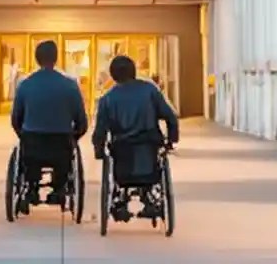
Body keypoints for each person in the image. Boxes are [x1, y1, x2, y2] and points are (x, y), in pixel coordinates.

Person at [92, 55, 179, 216]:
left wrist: (99, 150)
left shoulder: (107, 99)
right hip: (149, 145)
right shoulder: (150, 91)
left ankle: (120, 201)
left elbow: (100, 131)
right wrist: (171, 140)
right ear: (134, 72)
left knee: (119, 162)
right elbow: (170, 117)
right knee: (151, 163)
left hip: (121, 149)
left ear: (113, 75)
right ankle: (149, 199)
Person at [10, 40, 88, 206]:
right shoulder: (70, 85)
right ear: (56, 58)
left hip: (32, 141)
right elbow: (82, 122)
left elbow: (16, 118)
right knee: (64, 155)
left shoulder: (25, 85)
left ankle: (31, 188)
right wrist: (74, 137)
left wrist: (23, 134)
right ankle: (59, 188)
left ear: (36, 59)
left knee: (28, 155)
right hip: (61, 142)